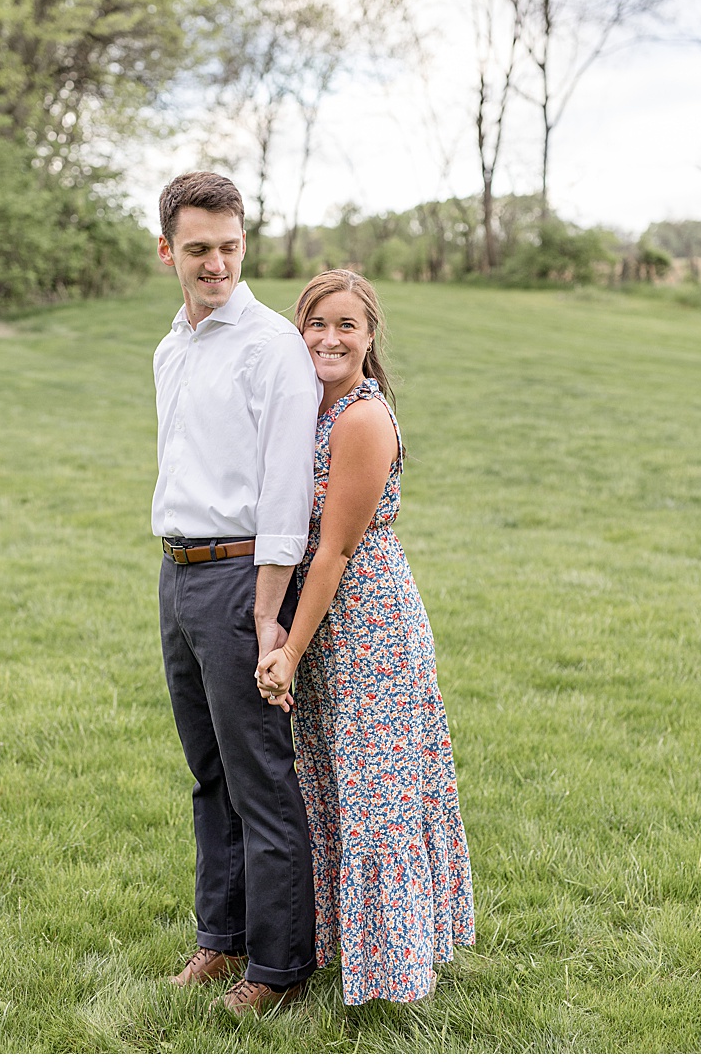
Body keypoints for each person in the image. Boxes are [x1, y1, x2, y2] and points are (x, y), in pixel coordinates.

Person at [256, 269, 475, 1004]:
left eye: (346, 325)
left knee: (377, 796)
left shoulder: (361, 419)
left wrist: (288, 646)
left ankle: (395, 974)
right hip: (328, 620)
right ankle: (352, 950)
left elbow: (335, 552)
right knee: (334, 788)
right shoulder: (312, 408)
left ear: (369, 335)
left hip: (368, 622)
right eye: (316, 323)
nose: (329, 338)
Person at [151, 171, 321, 1015]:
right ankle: (219, 942)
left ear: (242, 243)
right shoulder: (171, 347)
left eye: (227, 247)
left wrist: (265, 610)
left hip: (241, 577)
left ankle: (279, 967)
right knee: (207, 772)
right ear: (167, 251)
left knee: (259, 776)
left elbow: (286, 489)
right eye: (197, 249)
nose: (215, 264)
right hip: (177, 573)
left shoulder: (270, 347)